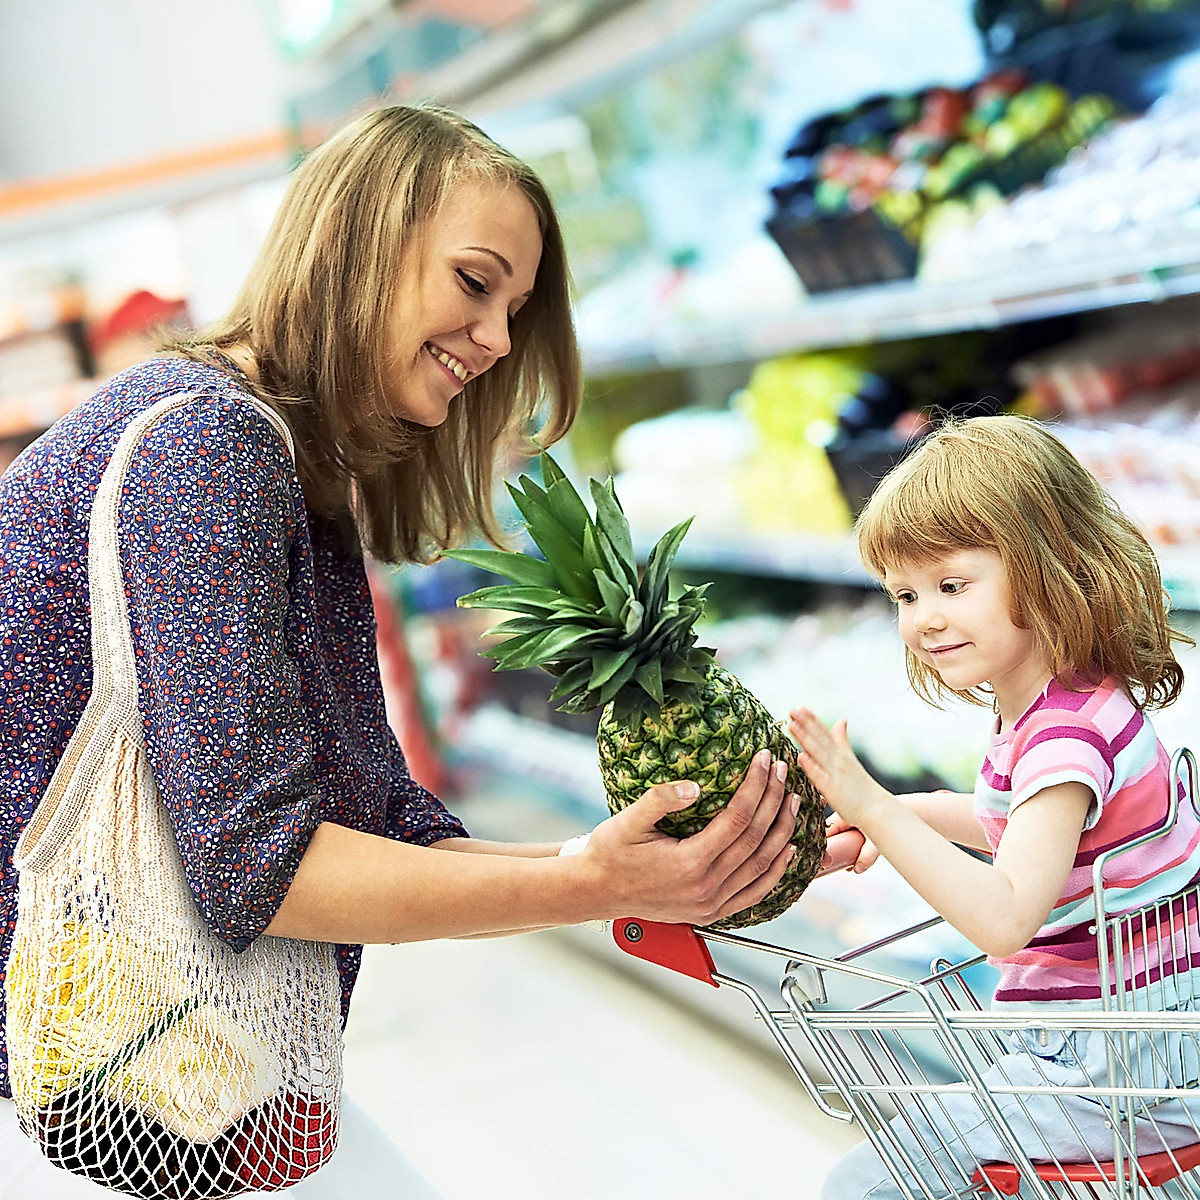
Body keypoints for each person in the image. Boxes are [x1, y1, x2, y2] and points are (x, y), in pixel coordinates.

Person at [0, 104, 799, 1199]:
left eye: (515, 309)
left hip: (144, 1071)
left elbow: (374, 827)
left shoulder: (276, 456)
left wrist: (648, 873)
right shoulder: (208, 448)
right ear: (362, 238)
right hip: (80, 1083)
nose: (501, 340)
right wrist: (594, 885)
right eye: (476, 283)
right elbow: (259, 867)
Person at [790, 414, 1200, 1200]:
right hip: (1141, 1051)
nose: (925, 617)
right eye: (905, 594)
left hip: (1110, 1077)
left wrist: (874, 806)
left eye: (952, 585)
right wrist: (898, 816)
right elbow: (1005, 817)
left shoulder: (1061, 739)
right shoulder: (1072, 703)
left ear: (1047, 568)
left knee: (866, 1183)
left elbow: (1007, 916)